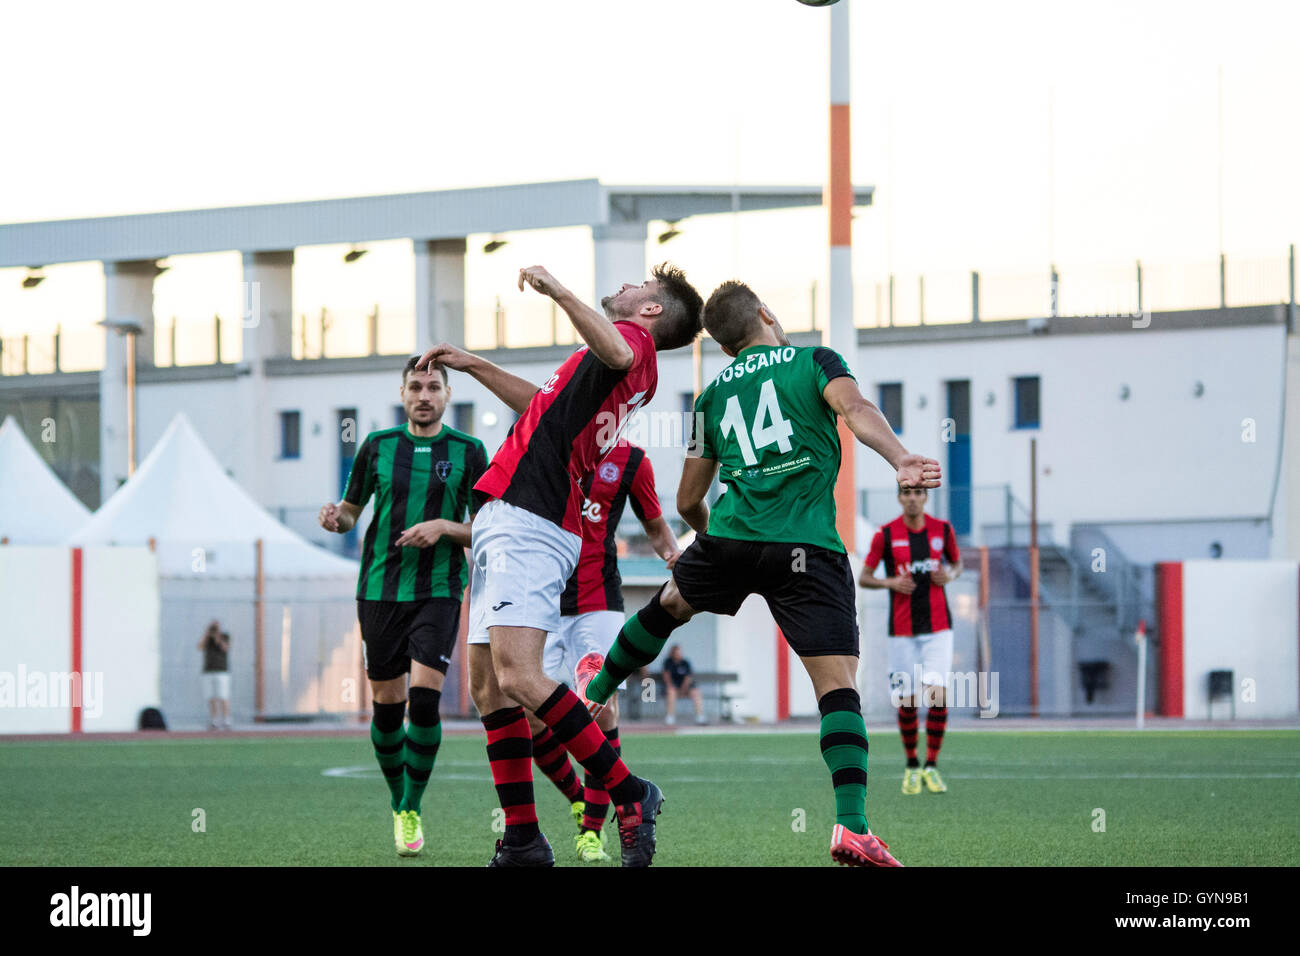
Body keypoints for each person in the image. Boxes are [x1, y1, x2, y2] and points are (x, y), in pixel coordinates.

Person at [581, 279, 941, 868]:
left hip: (731, 537)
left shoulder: (711, 395)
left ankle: (595, 691)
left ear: (724, 348)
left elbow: (688, 497)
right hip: (806, 546)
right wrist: (901, 458)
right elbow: (857, 409)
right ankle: (851, 827)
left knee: (669, 604)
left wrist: (708, 538)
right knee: (837, 687)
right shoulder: (816, 361)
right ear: (767, 315)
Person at [416, 261, 703, 867]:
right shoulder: (606, 362)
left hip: (532, 515)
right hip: (510, 513)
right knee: (490, 685)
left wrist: (559, 292)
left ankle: (629, 792)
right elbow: (540, 405)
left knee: (520, 677)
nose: (624, 287)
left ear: (650, 310)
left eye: (636, 288)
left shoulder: (633, 343)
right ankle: (523, 839)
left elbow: (619, 355)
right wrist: (473, 364)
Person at [318, 356, 488, 858]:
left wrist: (443, 528)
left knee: (425, 700)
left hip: (438, 589)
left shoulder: (470, 452)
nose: (424, 395)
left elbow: (487, 528)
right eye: (416, 386)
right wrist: (336, 519)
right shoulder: (377, 447)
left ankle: (412, 805)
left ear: (446, 396)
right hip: (378, 590)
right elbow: (351, 513)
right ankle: (400, 803)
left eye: (433, 386)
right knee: (388, 711)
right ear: (403, 394)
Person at [527, 441, 681, 863]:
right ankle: (579, 797)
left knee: (602, 705)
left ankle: (591, 832)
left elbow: (654, 526)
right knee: (530, 712)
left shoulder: (632, 460)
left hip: (598, 602)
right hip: (542, 599)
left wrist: (674, 556)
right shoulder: (553, 440)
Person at [859, 484, 962, 796]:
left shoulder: (942, 530)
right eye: (907, 492)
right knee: (907, 700)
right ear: (900, 498)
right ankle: (912, 766)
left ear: (925, 497)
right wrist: (891, 582)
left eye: (918, 492)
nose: (913, 497)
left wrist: (951, 575)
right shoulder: (886, 534)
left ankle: (932, 766)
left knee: (938, 696)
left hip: (939, 627)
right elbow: (864, 576)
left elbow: (956, 564)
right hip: (902, 630)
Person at [197, 621, 231, 730]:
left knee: (223, 696)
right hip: (208, 671)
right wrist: (207, 634)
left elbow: (224, 647)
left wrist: (217, 636)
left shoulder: (224, 636)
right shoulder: (207, 639)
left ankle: (226, 720)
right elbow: (200, 647)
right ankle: (214, 721)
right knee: (210, 697)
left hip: (221, 671)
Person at [661, 644, 705, 726]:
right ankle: (670, 717)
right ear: (672, 653)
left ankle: (700, 717)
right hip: (673, 688)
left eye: (680, 652)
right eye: (677, 653)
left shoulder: (685, 662)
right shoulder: (668, 662)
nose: (679, 654)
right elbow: (666, 676)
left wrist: (683, 688)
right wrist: (671, 686)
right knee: (670, 692)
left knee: (696, 692)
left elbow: (688, 678)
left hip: (685, 688)